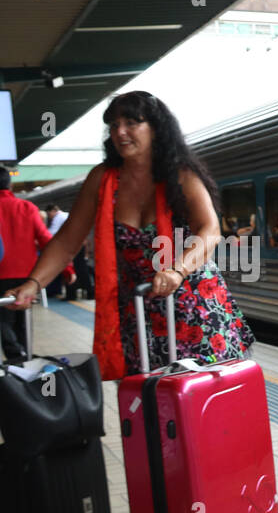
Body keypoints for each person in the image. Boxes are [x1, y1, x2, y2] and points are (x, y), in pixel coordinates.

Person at [3, 91, 254, 377]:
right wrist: (34, 284)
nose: (119, 132)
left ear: (156, 128)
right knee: (144, 399)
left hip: (192, 304)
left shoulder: (181, 174)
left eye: (132, 122)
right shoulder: (103, 179)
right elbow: (67, 241)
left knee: (196, 402)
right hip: (137, 311)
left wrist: (176, 270)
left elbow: (209, 230)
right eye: (113, 124)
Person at [0, 171, 72, 361]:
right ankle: (24, 358)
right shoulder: (26, 207)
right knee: (23, 319)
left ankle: (15, 357)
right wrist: (66, 268)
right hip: (27, 276)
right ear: (10, 187)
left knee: (3, 320)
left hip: (0, 275)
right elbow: (47, 240)